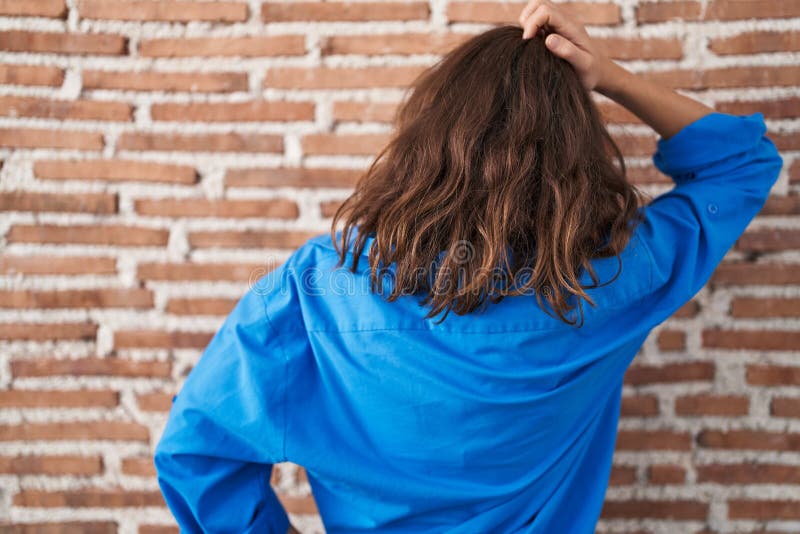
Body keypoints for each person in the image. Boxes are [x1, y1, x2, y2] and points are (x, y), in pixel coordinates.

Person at [153, 0, 784, 532]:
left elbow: (195, 449)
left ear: (426, 142)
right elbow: (742, 163)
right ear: (578, 153)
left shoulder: (317, 286)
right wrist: (606, 75)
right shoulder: (617, 278)